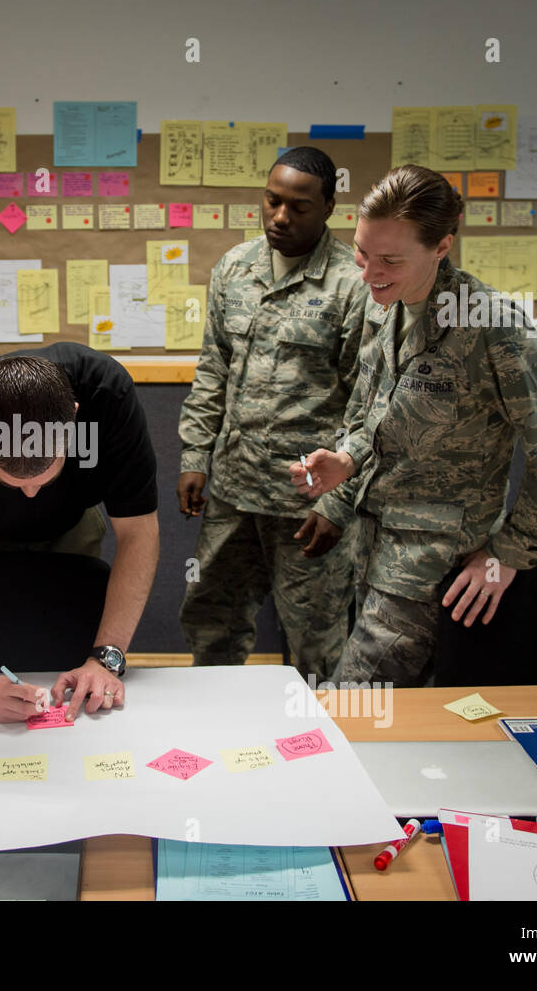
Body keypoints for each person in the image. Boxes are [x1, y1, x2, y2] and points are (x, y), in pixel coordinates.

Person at [292, 164, 537, 685]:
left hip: (432, 567)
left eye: (389, 259)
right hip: (370, 547)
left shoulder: (493, 326)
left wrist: (508, 554)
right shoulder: (385, 306)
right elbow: (369, 417)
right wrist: (341, 475)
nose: (368, 272)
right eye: (363, 252)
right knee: (392, 722)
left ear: (442, 246)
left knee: (353, 710)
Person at [178, 147, 369, 679]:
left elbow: (367, 409)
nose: (281, 217)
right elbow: (213, 369)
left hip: (306, 500)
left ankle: (322, 750)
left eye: (299, 207)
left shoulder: (352, 285)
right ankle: (214, 736)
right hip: (233, 491)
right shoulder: (235, 268)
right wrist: (195, 454)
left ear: (329, 207)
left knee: (316, 642)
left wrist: (340, 502)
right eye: (272, 201)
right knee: (211, 622)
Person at [0, 344, 159, 723]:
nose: (30, 495)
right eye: (14, 482)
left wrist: (106, 656)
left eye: (44, 478)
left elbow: (139, 533)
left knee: (69, 624)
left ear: (74, 419)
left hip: (73, 521)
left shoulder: (107, 395)